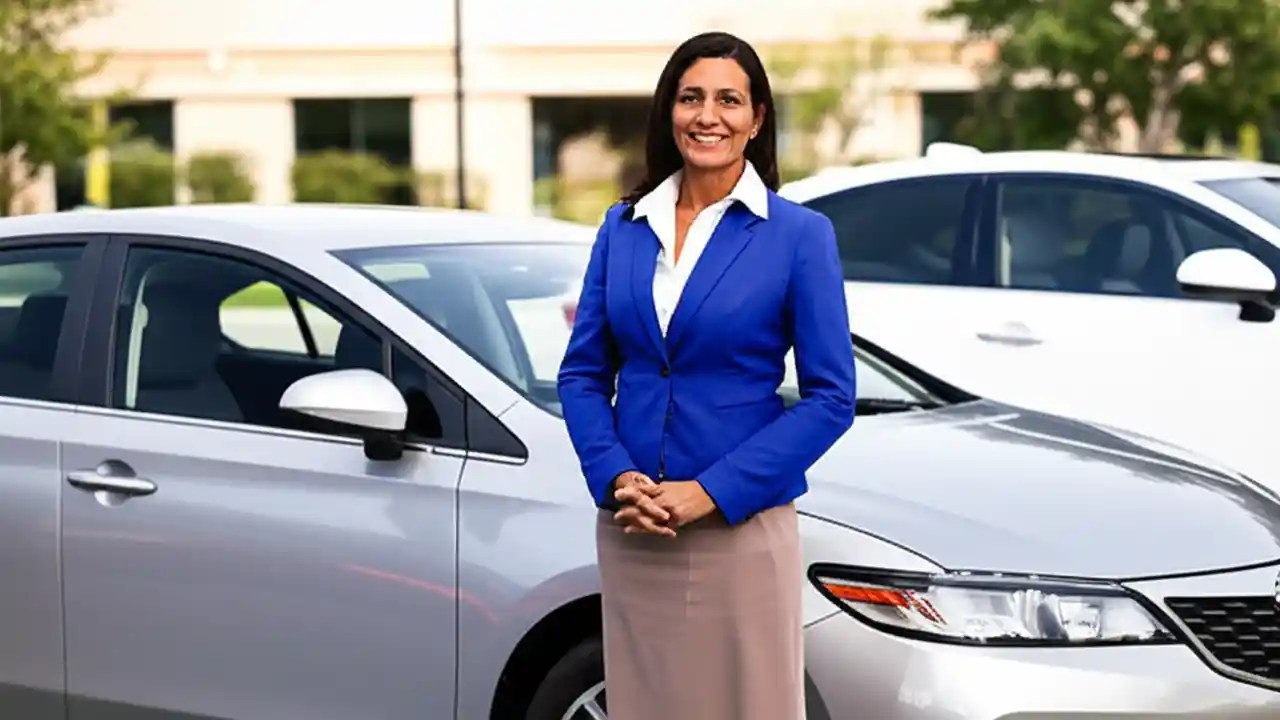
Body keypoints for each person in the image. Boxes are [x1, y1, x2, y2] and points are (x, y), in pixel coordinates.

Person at [557, 30, 857, 720]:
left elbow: (831, 399)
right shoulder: (623, 227)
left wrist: (709, 493)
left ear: (756, 120)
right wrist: (616, 477)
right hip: (635, 532)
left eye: (728, 99)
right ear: (669, 111)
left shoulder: (798, 236)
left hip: (738, 535)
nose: (707, 115)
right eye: (691, 97)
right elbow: (581, 375)